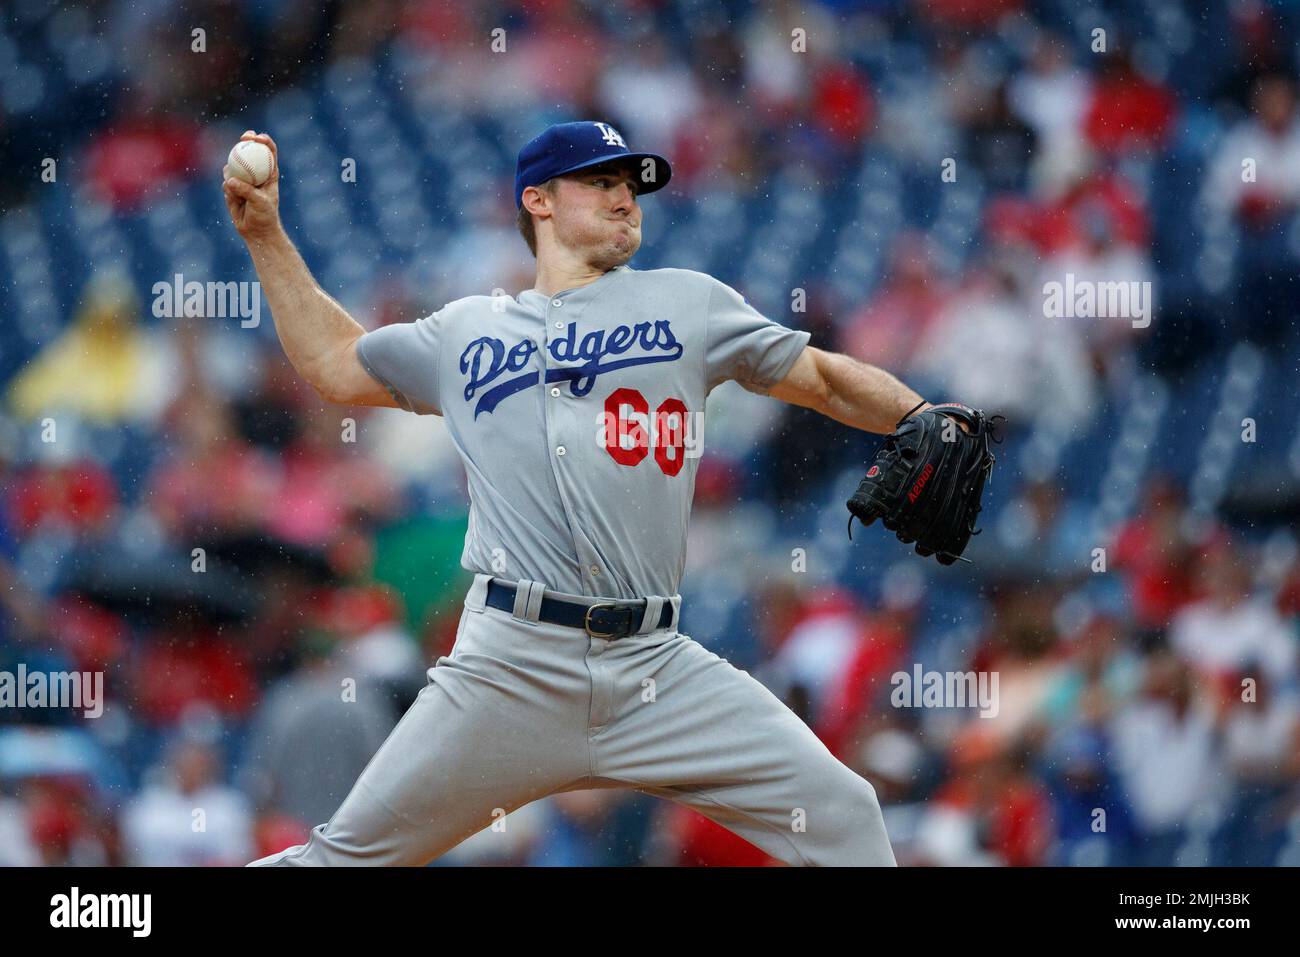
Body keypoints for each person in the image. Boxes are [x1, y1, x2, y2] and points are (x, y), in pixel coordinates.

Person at [223, 120, 948, 866]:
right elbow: (336, 363)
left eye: (631, 186)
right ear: (537, 199)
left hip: (655, 666)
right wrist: (267, 236)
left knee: (844, 812)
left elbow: (822, 377)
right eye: (601, 182)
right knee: (342, 859)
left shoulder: (689, 303)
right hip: (509, 668)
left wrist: (921, 418)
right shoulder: (468, 330)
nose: (625, 199)